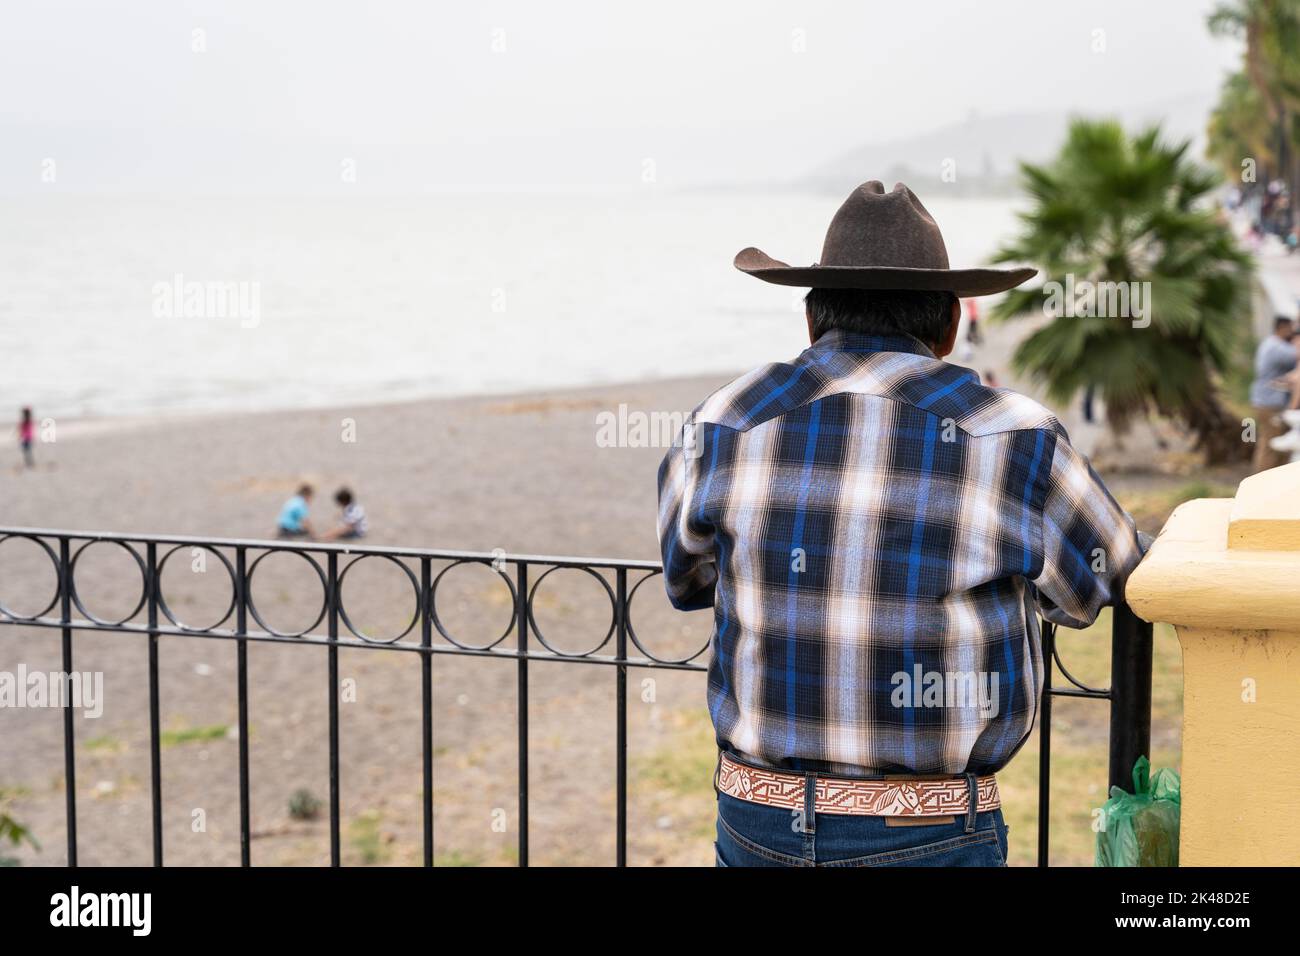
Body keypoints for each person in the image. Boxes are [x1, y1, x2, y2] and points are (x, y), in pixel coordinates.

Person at [658, 181, 1145, 867]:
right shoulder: (1014, 437)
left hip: (754, 823)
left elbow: (685, 578)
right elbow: (1110, 576)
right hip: (930, 835)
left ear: (810, 319)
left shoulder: (721, 420)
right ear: (949, 326)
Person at [1249, 316, 1297, 472]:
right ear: (1283, 328)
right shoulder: (1278, 347)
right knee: (1271, 445)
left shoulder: (1269, 343)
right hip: (1270, 403)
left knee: (1269, 443)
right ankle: (1261, 483)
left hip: (1264, 402)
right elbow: (1296, 355)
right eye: (1291, 328)